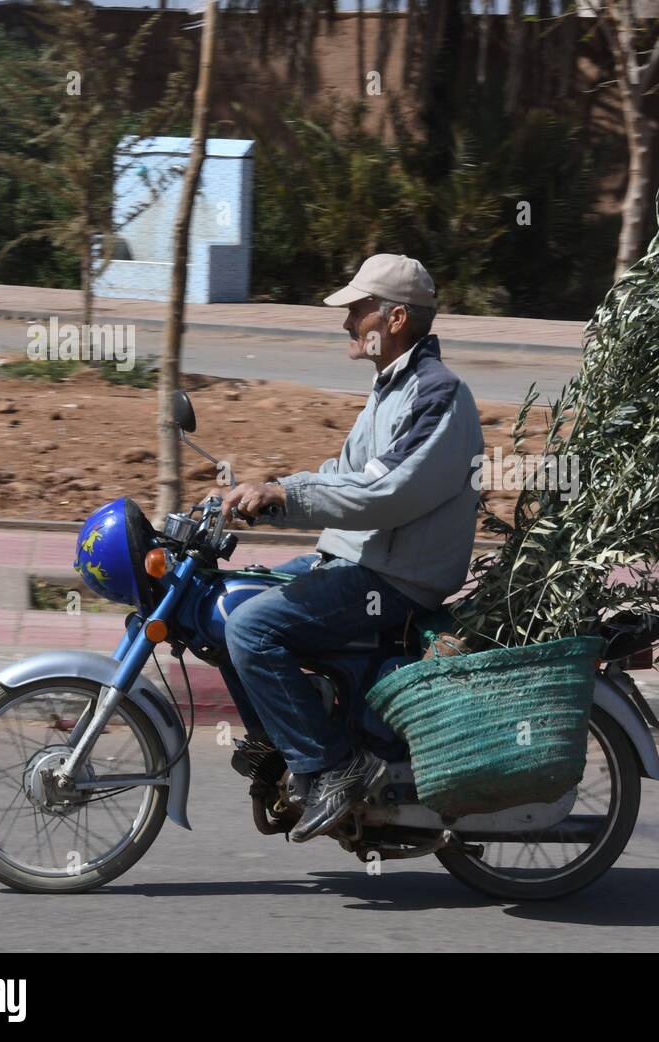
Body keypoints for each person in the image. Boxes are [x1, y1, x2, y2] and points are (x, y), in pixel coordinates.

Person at [213, 254, 484, 842]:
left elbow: (383, 493)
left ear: (395, 319)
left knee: (253, 631)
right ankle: (278, 741)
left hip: (395, 577)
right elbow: (346, 471)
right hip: (359, 557)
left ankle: (334, 767)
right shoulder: (391, 387)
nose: (347, 323)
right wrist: (269, 492)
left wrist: (287, 494)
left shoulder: (438, 394)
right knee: (228, 603)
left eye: (357, 310)